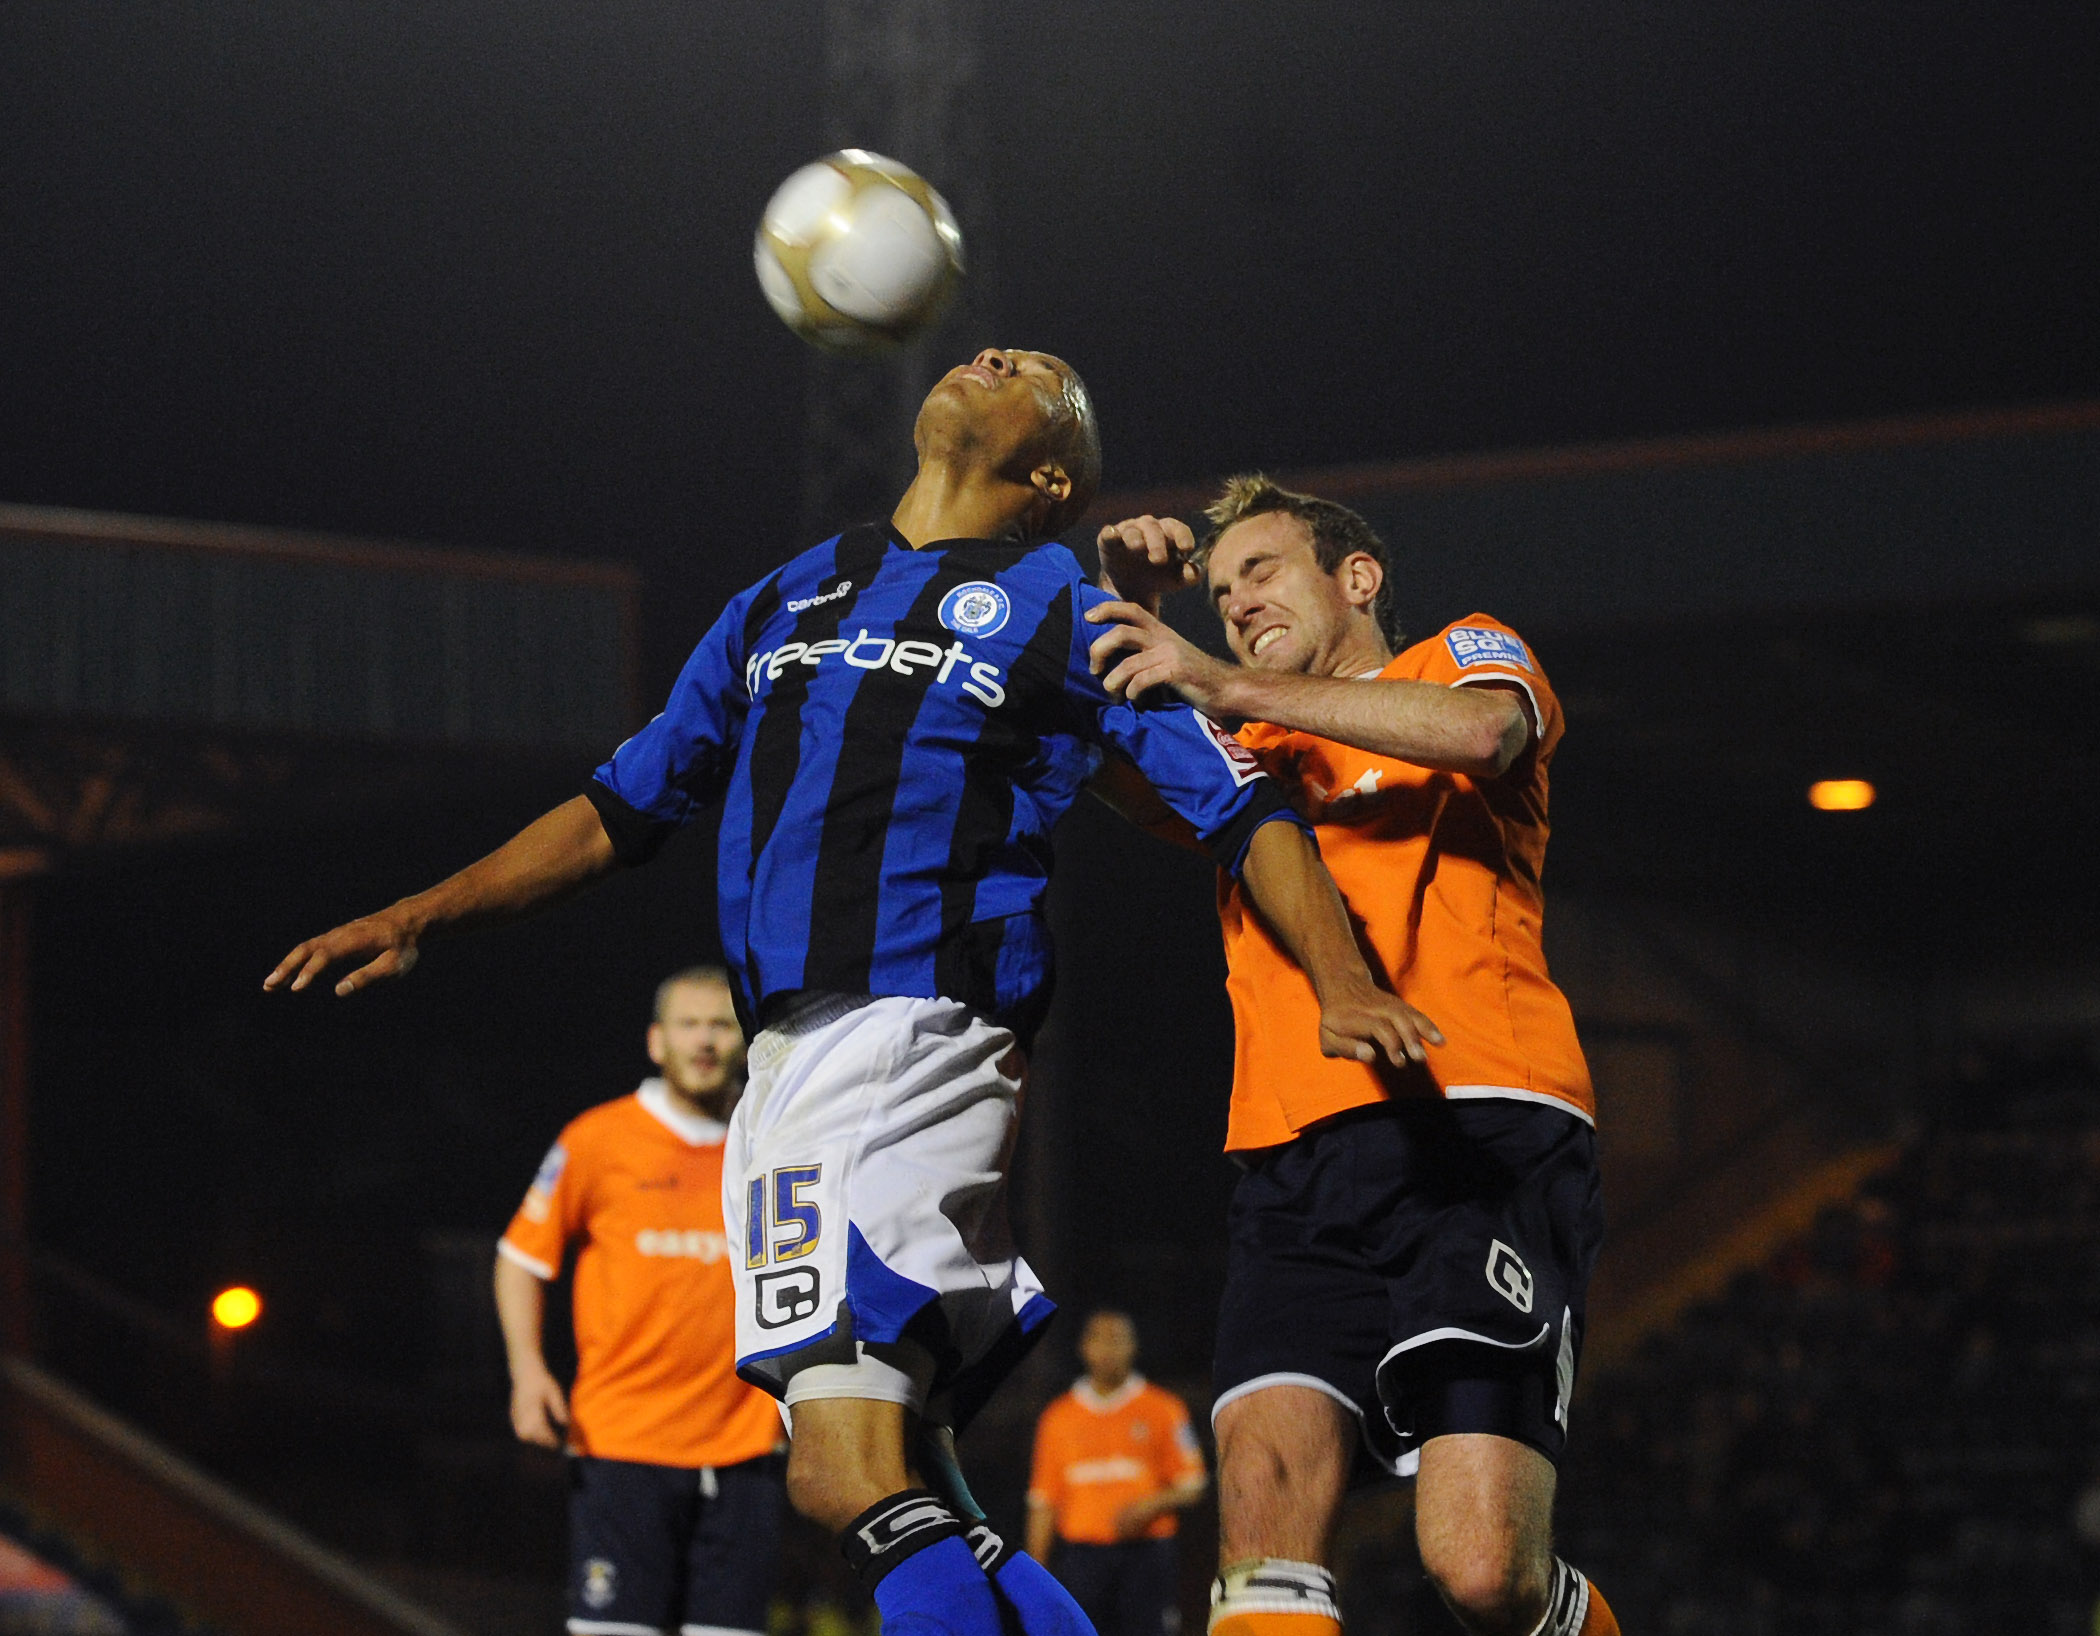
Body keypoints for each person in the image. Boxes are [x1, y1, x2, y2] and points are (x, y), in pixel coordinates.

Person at [264, 353, 1440, 1636]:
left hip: (903, 1033)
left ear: (1050, 474)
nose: (996, 356)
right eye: (995, 349)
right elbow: (620, 806)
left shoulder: (1056, 599)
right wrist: (421, 911)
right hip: (799, 1063)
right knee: (914, 1478)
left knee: (837, 1472)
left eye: (1041, 375)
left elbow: (1237, 801)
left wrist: (1341, 978)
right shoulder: (784, 592)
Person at [1082, 481, 1617, 1636]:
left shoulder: (1462, 654)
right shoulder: (1240, 748)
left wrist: (1223, 681)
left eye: (1262, 571)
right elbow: (1116, 774)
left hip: (1478, 1129)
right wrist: (1117, 616)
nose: (1235, 605)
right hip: (1289, 1155)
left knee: (1484, 1573)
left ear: (1356, 577)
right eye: (1219, 596)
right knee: (1262, 1521)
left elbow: (1485, 732)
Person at [495, 967, 786, 1636]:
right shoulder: (598, 1140)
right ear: (658, 1042)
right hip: (622, 1443)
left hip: (748, 1448)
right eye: (689, 1024)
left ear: (745, 1041)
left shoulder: (774, 1142)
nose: (705, 1041)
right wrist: (527, 1370)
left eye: (721, 1025)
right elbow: (519, 1259)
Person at [1027, 1311, 1207, 1636]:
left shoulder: (1164, 1408)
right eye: (1099, 1339)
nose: (1108, 1350)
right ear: (1084, 1347)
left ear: (1133, 1347)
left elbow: (1193, 1485)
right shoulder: (1058, 1417)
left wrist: (1148, 1506)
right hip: (1082, 1557)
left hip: (1146, 1554)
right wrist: (1035, 1569)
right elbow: (1043, 1500)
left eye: (1117, 1340)